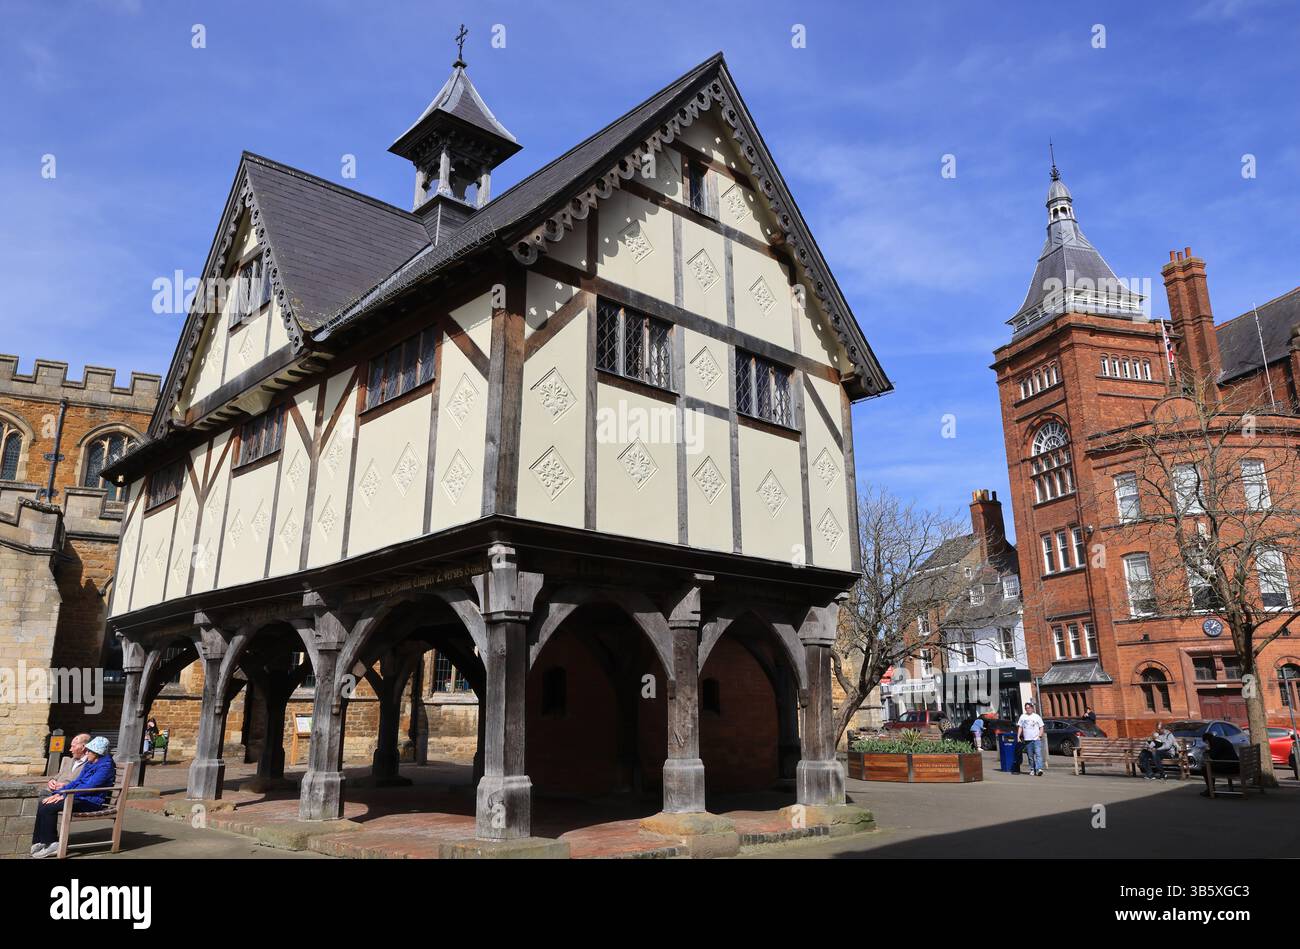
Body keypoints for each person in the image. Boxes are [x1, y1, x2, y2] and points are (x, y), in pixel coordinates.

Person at [29, 736, 116, 859]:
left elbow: (89, 786)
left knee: (49, 808)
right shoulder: (91, 763)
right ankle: (39, 841)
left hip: (91, 801)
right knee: (44, 803)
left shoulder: (105, 767)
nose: (86, 753)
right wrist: (59, 793)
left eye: (89, 751)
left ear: (97, 753)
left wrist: (65, 795)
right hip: (79, 797)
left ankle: (52, 844)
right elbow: (77, 782)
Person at [1017, 701, 1046, 776]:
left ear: (1032, 708)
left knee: (1038, 754)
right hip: (1027, 739)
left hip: (1036, 739)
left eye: (1029, 708)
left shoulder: (1036, 716)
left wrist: (1039, 736)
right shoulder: (1022, 716)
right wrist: (1018, 736)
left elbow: (1041, 727)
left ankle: (1039, 769)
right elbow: (1020, 727)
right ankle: (1032, 769)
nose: (1028, 709)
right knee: (1030, 756)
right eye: (1026, 708)